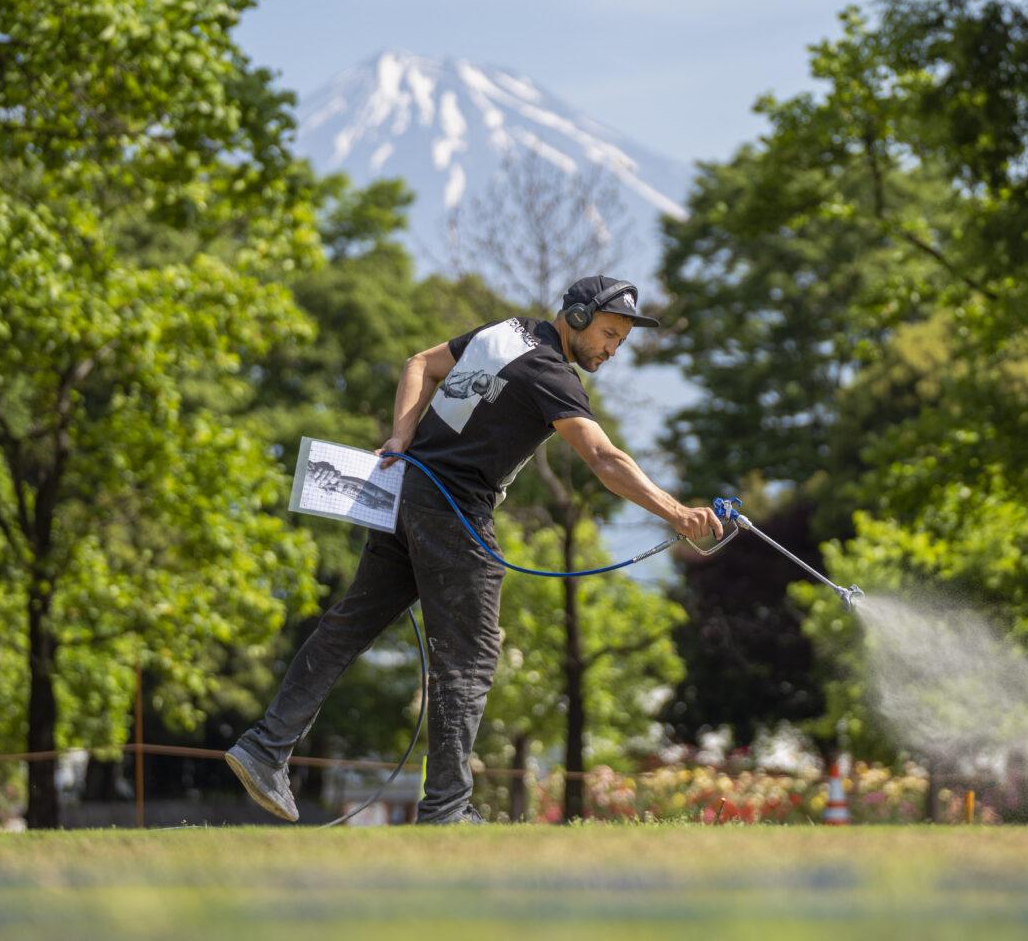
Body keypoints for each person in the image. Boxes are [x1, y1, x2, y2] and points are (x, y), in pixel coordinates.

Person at [225, 276, 723, 824]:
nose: (610, 349)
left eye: (620, 342)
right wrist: (677, 513)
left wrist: (400, 436)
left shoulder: (505, 332)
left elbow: (420, 362)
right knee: (471, 654)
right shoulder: (550, 373)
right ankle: (447, 809)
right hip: (455, 511)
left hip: (406, 496)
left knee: (348, 626)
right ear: (575, 318)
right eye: (607, 334)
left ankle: (266, 746)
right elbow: (604, 460)